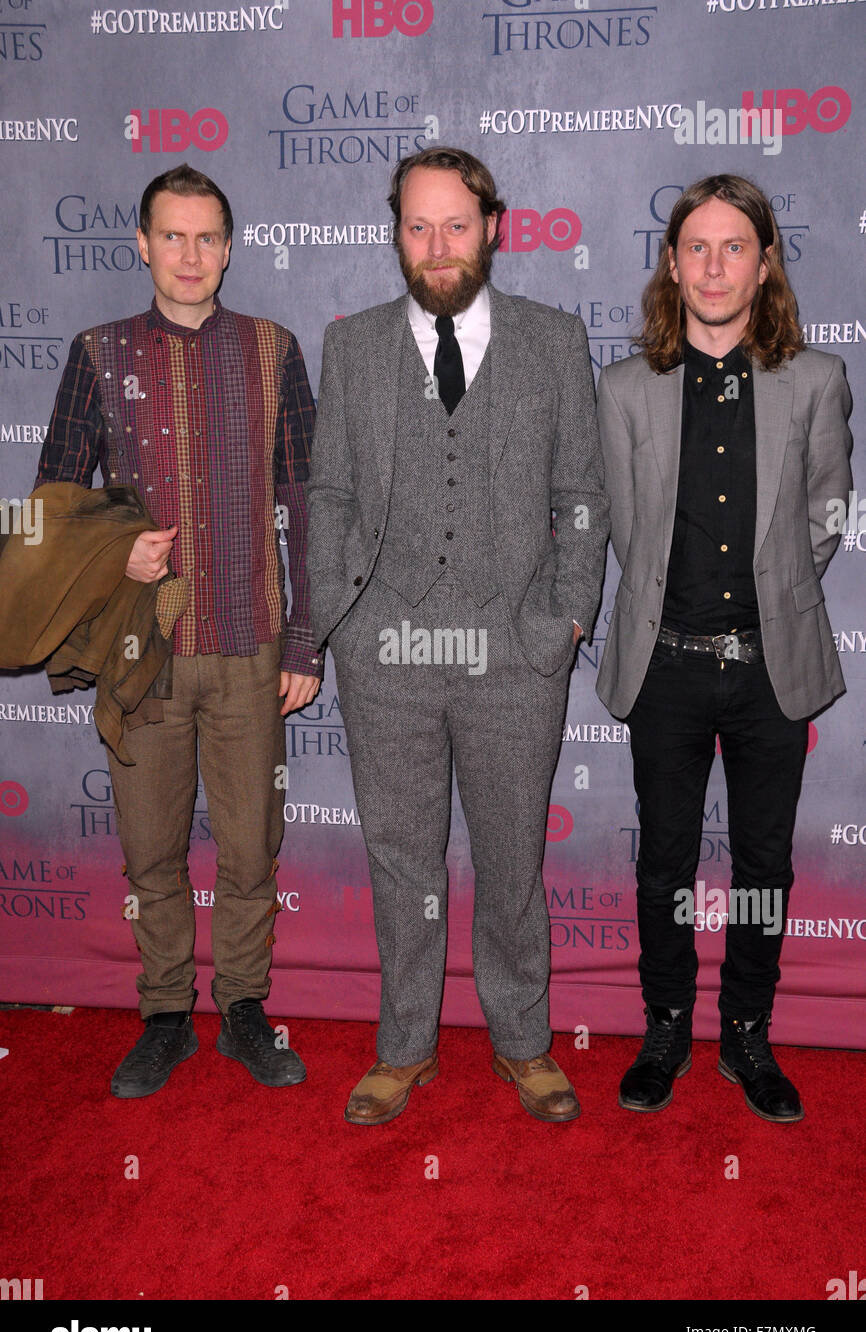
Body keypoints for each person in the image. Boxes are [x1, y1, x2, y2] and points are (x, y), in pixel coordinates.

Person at [307, 147, 608, 1125]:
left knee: (511, 858)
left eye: (454, 223)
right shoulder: (349, 345)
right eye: (416, 225)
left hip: (511, 655)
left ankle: (523, 1043)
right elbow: (331, 498)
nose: (435, 245)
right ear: (396, 233)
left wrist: (562, 619)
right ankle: (403, 1047)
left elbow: (579, 496)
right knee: (401, 861)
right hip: (384, 655)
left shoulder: (554, 341)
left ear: (491, 226)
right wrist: (334, 627)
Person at [36, 163, 321, 1097]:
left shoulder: (276, 350)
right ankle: (165, 1013)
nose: (191, 255)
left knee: (249, 852)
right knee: (151, 851)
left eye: (208, 238)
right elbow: (49, 510)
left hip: (250, 647)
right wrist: (114, 553)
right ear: (144, 246)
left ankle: (242, 1010)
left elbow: (307, 503)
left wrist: (308, 642)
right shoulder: (96, 350)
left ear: (229, 249)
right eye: (173, 236)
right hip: (139, 652)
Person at [595, 173, 853, 1122]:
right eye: (695, 247)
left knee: (763, 867)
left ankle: (747, 1034)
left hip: (768, 669)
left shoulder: (817, 380)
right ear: (671, 264)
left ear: (764, 262)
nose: (713, 265)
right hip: (662, 663)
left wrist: (780, 590)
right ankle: (665, 1026)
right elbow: (620, 528)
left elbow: (829, 512)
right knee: (662, 864)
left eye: (733, 246)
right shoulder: (622, 389)